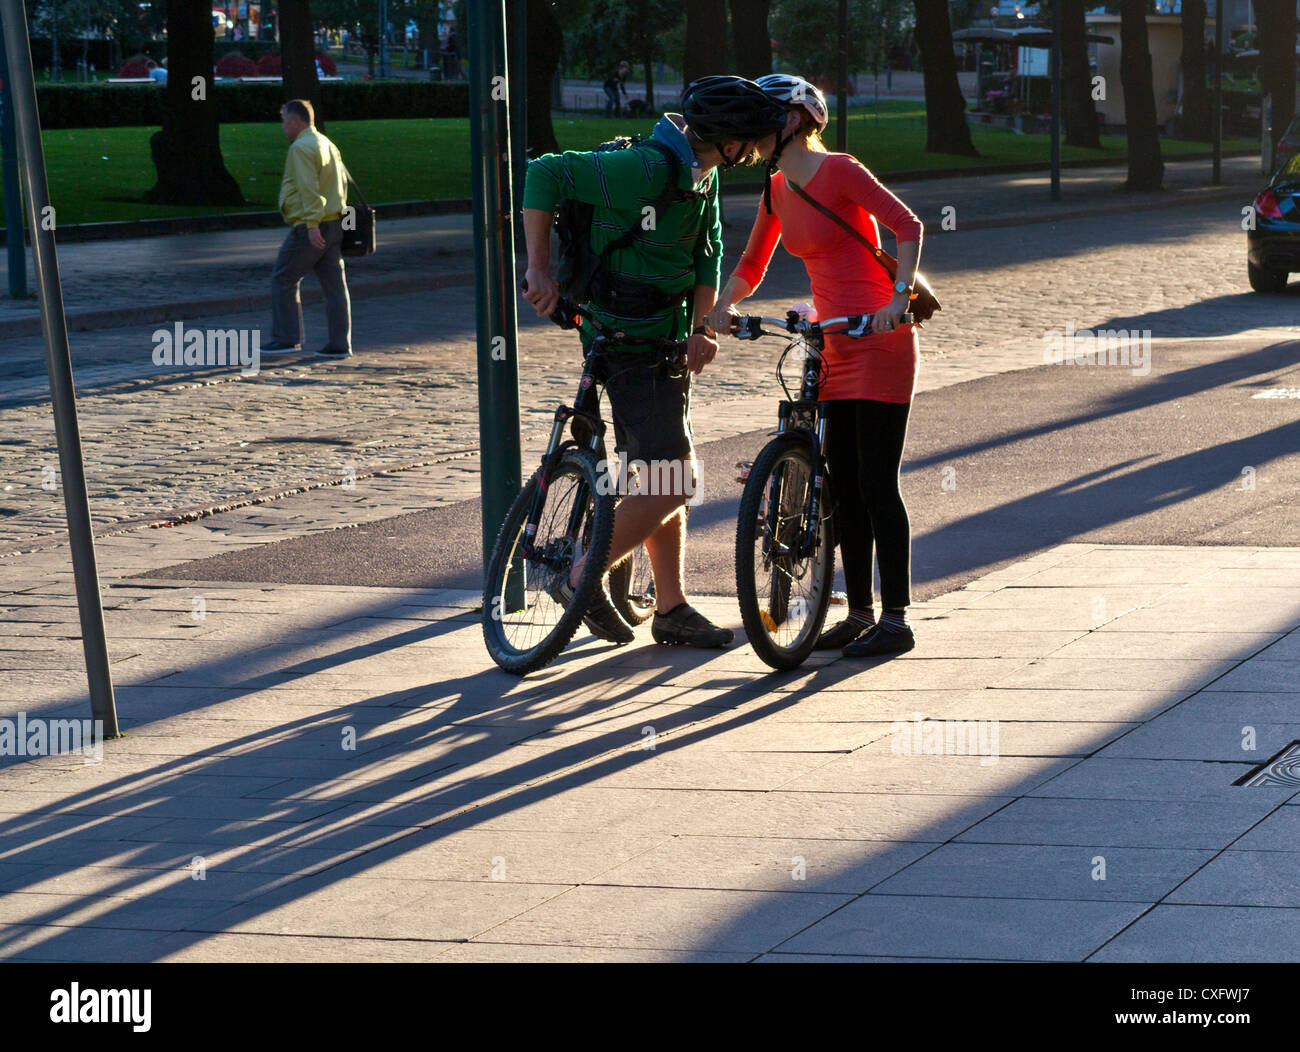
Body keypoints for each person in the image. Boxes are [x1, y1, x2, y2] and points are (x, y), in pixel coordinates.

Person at [522, 75, 789, 648]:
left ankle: (669, 608)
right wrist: (537, 268)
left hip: (665, 340)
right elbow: (543, 171)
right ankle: (580, 575)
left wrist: (699, 327)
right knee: (675, 482)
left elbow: (707, 252)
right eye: (746, 140)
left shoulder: (703, 173)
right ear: (724, 137)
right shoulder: (644, 168)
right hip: (623, 338)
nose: (751, 152)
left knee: (662, 472)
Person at [705, 73, 924, 657]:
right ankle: (858, 613)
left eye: (763, 119)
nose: (751, 135)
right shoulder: (778, 188)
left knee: (876, 482)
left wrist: (897, 300)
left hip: (879, 339)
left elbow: (908, 225)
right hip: (831, 344)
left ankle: (897, 618)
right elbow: (753, 262)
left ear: (795, 120)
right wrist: (725, 306)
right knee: (843, 485)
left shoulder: (843, 172)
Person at [262, 100, 352, 358]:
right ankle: (340, 343)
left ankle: (286, 338)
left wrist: (312, 225)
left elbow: (308, 188)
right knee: (335, 286)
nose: (283, 126)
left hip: (312, 226)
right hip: (334, 222)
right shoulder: (326, 143)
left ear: (295, 120)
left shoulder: (301, 147)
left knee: (283, 278)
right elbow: (339, 185)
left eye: (284, 120)